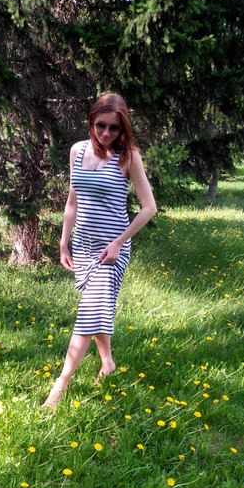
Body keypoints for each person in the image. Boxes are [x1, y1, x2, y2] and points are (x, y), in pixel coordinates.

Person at [42, 92, 157, 409]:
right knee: (95, 312)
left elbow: (149, 208)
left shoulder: (128, 157)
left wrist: (119, 242)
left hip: (111, 251)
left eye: (114, 128)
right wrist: (63, 242)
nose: (107, 133)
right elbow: (72, 201)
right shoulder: (77, 151)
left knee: (88, 314)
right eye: (101, 125)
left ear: (123, 129)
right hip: (83, 246)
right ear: (91, 122)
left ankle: (60, 387)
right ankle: (107, 363)